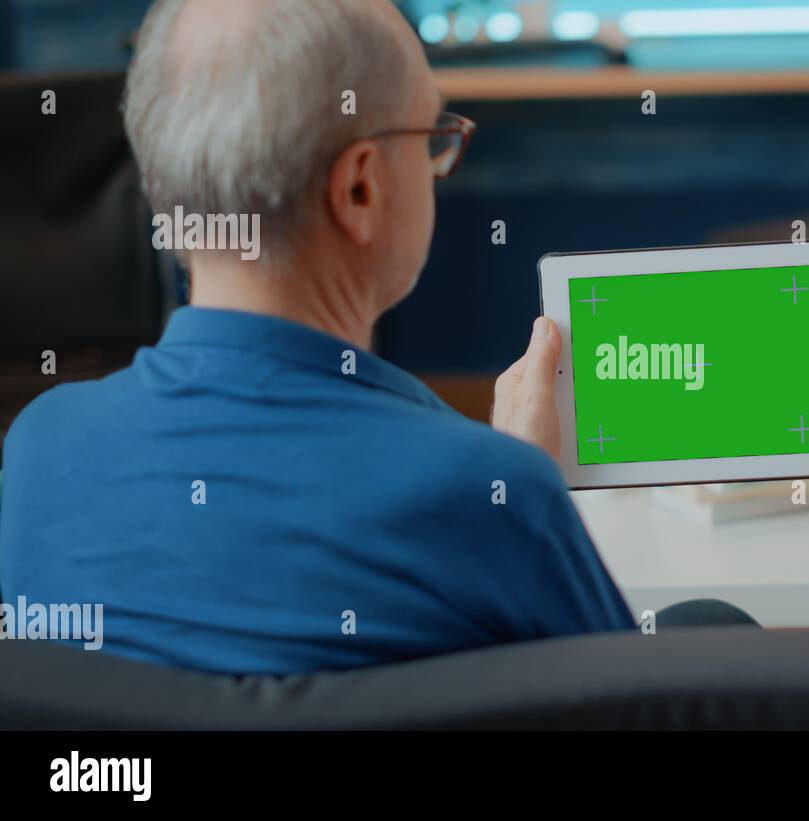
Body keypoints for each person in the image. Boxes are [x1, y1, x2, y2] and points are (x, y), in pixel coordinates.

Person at [0, 0, 632, 674]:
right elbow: (634, 702)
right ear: (360, 188)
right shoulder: (489, 495)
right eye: (431, 138)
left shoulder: (39, 454)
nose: (437, 163)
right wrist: (520, 483)